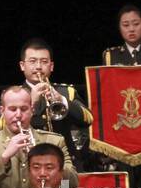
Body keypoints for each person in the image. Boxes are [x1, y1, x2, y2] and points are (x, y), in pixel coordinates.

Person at [17, 38, 93, 169]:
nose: (38, 67)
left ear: (51, 66)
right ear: (22, 66)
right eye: (33, 61)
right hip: (29, 163)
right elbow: (2, 125)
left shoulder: (66, 91)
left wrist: (62, 100)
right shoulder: (15, 94)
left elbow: (88, 119)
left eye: (44, 62)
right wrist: (31, 103)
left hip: (65, 164)